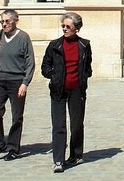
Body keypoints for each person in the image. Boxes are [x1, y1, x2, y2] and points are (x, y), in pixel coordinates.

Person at [41, 11, 92, 173]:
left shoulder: (84, 45)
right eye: (63, 26)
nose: (64, 28)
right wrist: (53, 76)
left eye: (68, 26)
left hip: (77, 89)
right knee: (58, 125)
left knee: (76, 124)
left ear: (77, 28)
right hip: (58, 90)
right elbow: (45, 66)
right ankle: (58, 160)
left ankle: (76, 155)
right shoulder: (54, 45)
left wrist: (84, 77)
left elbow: (88, 66)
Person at [0, 8, 35, 161]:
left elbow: (30, 61)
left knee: (17, 116)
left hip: (17, 81)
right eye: (2, 21)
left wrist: (25, 83)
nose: (4, 24)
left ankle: (13, 148)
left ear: (15, 20)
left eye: (7, 21)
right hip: (0, 80)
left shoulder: (23, 37)